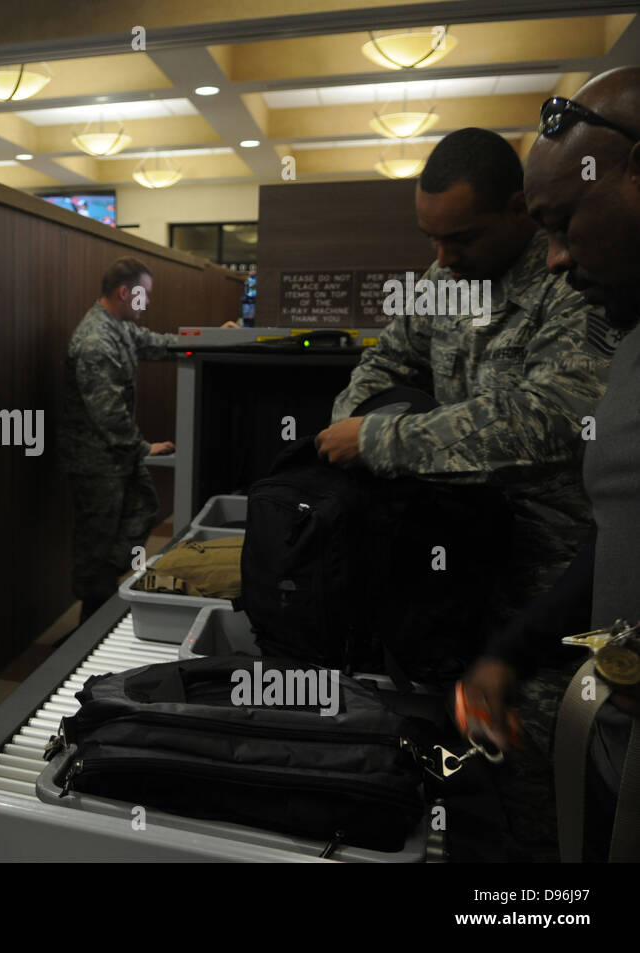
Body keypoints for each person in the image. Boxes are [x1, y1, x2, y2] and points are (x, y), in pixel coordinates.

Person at [317, 127, 610, 629]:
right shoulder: (443, 281)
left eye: (462, 238)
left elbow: (550, 419)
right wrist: (355, 417)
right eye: (431, 238)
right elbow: (386, 359)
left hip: (548, 582)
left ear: (519, 209)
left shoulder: (572, 279)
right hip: (448, 561)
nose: (443, 257)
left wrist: (379, 440)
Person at [462, 68, 640, 863]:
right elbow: (622, 525)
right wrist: (515, 648)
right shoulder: (631, 333)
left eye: (564, 223)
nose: (558, 259)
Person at [60, 256, 180, 623]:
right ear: (125, 292)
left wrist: (212, 340)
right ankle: (90, 620)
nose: (148, 303)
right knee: (97, 543)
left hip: (115, 457)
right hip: (97, 462)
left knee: (142, 508)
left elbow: (156, 343)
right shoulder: (96, 340)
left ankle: (102, 590)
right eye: (144, 295)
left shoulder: (120, 327)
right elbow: (108, 413)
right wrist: (144, 448)